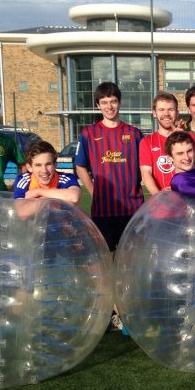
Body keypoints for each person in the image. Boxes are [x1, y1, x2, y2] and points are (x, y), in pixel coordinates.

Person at [73, 81, 143, 332]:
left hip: (132, 208)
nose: (109, 106)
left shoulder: (133, 133)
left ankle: (128, 309)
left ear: (119, 103)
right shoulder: (89, 134)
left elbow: (144, 166)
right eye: (104, 102)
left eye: (113, 101)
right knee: (105, 263)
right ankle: (110, 311)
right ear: (98, 105)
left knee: (130, 261)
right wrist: (93, 190)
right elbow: (80, 165)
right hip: (103, 210)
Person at [140, 92, 195, 195]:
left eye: (171, 109)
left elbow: (194, 168)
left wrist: (181, 138)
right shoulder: (147, 142)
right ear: (154, 113)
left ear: (177, 112)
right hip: (162, 203)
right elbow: (146, 173)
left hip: (187, 199)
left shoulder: (189, 137)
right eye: (161, 110)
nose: (166, 114)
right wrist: (159, 197)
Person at [13, 140, 81, 203]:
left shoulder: (65, 178)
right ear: (29, 168)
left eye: (48, 164)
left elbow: (74, 197)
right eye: (38, 165)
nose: (44, 170)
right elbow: (21, 211)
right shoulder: (24, 180)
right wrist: (55, 197)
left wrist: (39, 192)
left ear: (55, 165)